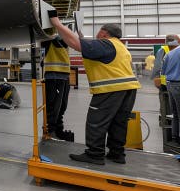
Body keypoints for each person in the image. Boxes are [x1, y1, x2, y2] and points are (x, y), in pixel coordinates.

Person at [50, 18, 139, 165]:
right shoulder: (119, 46)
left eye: (99, 31)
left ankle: (94, 154)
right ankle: (117, 153)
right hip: (129, 89)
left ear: (104, 33)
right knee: (118, 122)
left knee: (96, 121)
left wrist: (57, 24)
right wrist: (79, 33)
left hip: (110, 90)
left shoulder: (105, 44)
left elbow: (75, 44)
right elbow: (87, 46)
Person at [42, 36, 74, 141]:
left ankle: (58, 130)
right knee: (53, 107)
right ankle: (50, 132)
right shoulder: (52, 35)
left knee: (62, 106)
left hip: (64, 75)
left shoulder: (61, 35)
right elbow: (59, 39)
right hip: (54, 75)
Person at [152, 35, 179, 131]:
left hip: (169, 81)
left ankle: (171, 127)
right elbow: (158, 67)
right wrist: (156, 78)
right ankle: (164, 121)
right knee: (165, 104)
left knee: (173, 108)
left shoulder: (170, 50)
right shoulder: (163, 50)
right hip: (165, 82)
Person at [161, 40, 180, 146]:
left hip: (171, 84)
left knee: (176, 114)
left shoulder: (170, 53)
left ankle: (175, 137)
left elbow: (163, 71)